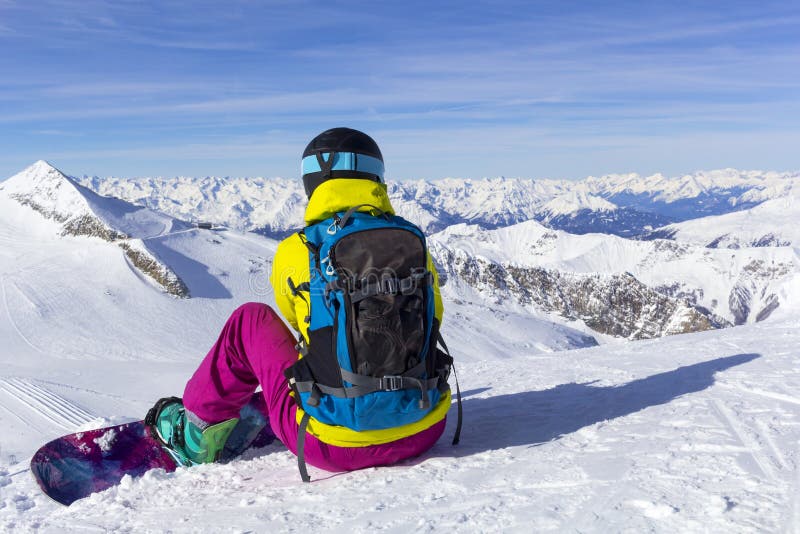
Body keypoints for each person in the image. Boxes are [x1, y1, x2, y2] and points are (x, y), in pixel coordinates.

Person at [147, 127, 456, 479]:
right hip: (424, 428)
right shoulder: (410, 239)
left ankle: (194, 435)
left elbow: (300, 323)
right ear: (376, 177)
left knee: (250, 321)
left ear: (312, 182)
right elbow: (434, 318)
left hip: (332, 446)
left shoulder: (298, 248)